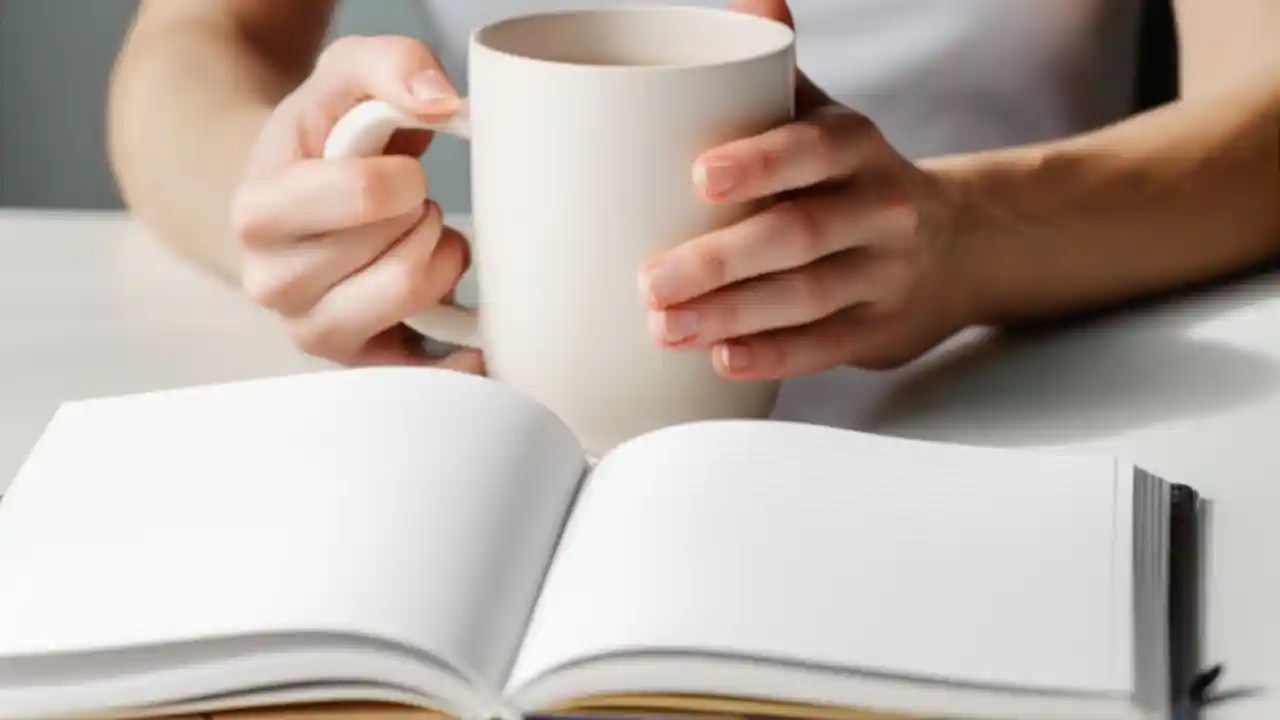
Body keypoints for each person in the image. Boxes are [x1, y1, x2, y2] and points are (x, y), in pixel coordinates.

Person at [108, 1, 1278, 386]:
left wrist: (962, 235)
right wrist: (274, 201)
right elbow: (194, 42)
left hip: (1031, 368)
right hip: (522, 423)